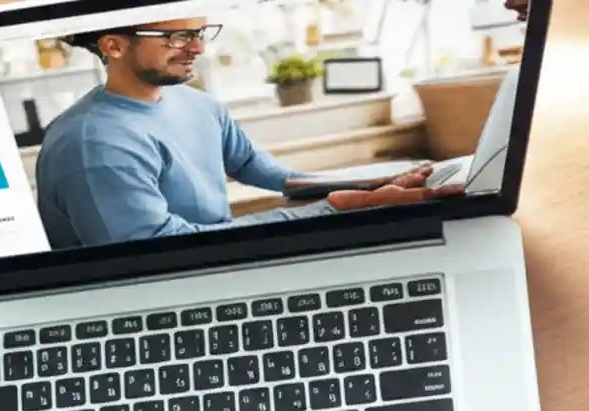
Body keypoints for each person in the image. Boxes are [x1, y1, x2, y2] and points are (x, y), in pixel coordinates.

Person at [36, 18, 459, 249]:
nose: (198, 49)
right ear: (113, 46)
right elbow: (156, 251)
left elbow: (265, 172)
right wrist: (336, 207)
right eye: (177, 36)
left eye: (199, 33)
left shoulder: (198, 104)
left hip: (216, 261)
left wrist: (371, 183)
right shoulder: (94, 144)